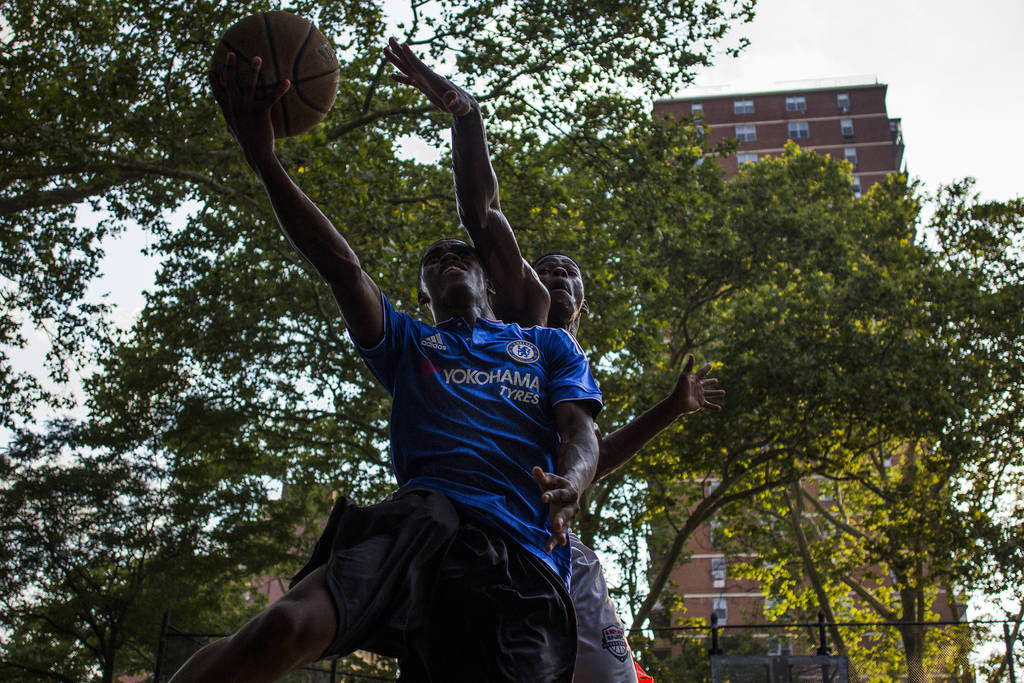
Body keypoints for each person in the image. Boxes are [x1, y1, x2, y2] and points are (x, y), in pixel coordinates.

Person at [174, 50, 604, 682]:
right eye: (434, 260)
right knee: (282, 627)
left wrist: (573, 480)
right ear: (422, 295)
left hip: (519, 552)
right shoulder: (408, 343)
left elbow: (581, 433)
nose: (449, 257)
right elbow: (341, 266)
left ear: (493, 279)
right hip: (423, 521)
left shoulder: (546, 345)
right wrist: (263, 158)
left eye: (462, 254)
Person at [385, 40, 724, 682]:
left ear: (586, 303)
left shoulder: (567, 366)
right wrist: (465, 115)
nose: (558, 276)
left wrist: (671, 409)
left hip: (550, 544)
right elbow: (482, 212)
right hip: (478, 534)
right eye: (547, 268)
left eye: (571, 271)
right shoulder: (524, 316)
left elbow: (590, 454)